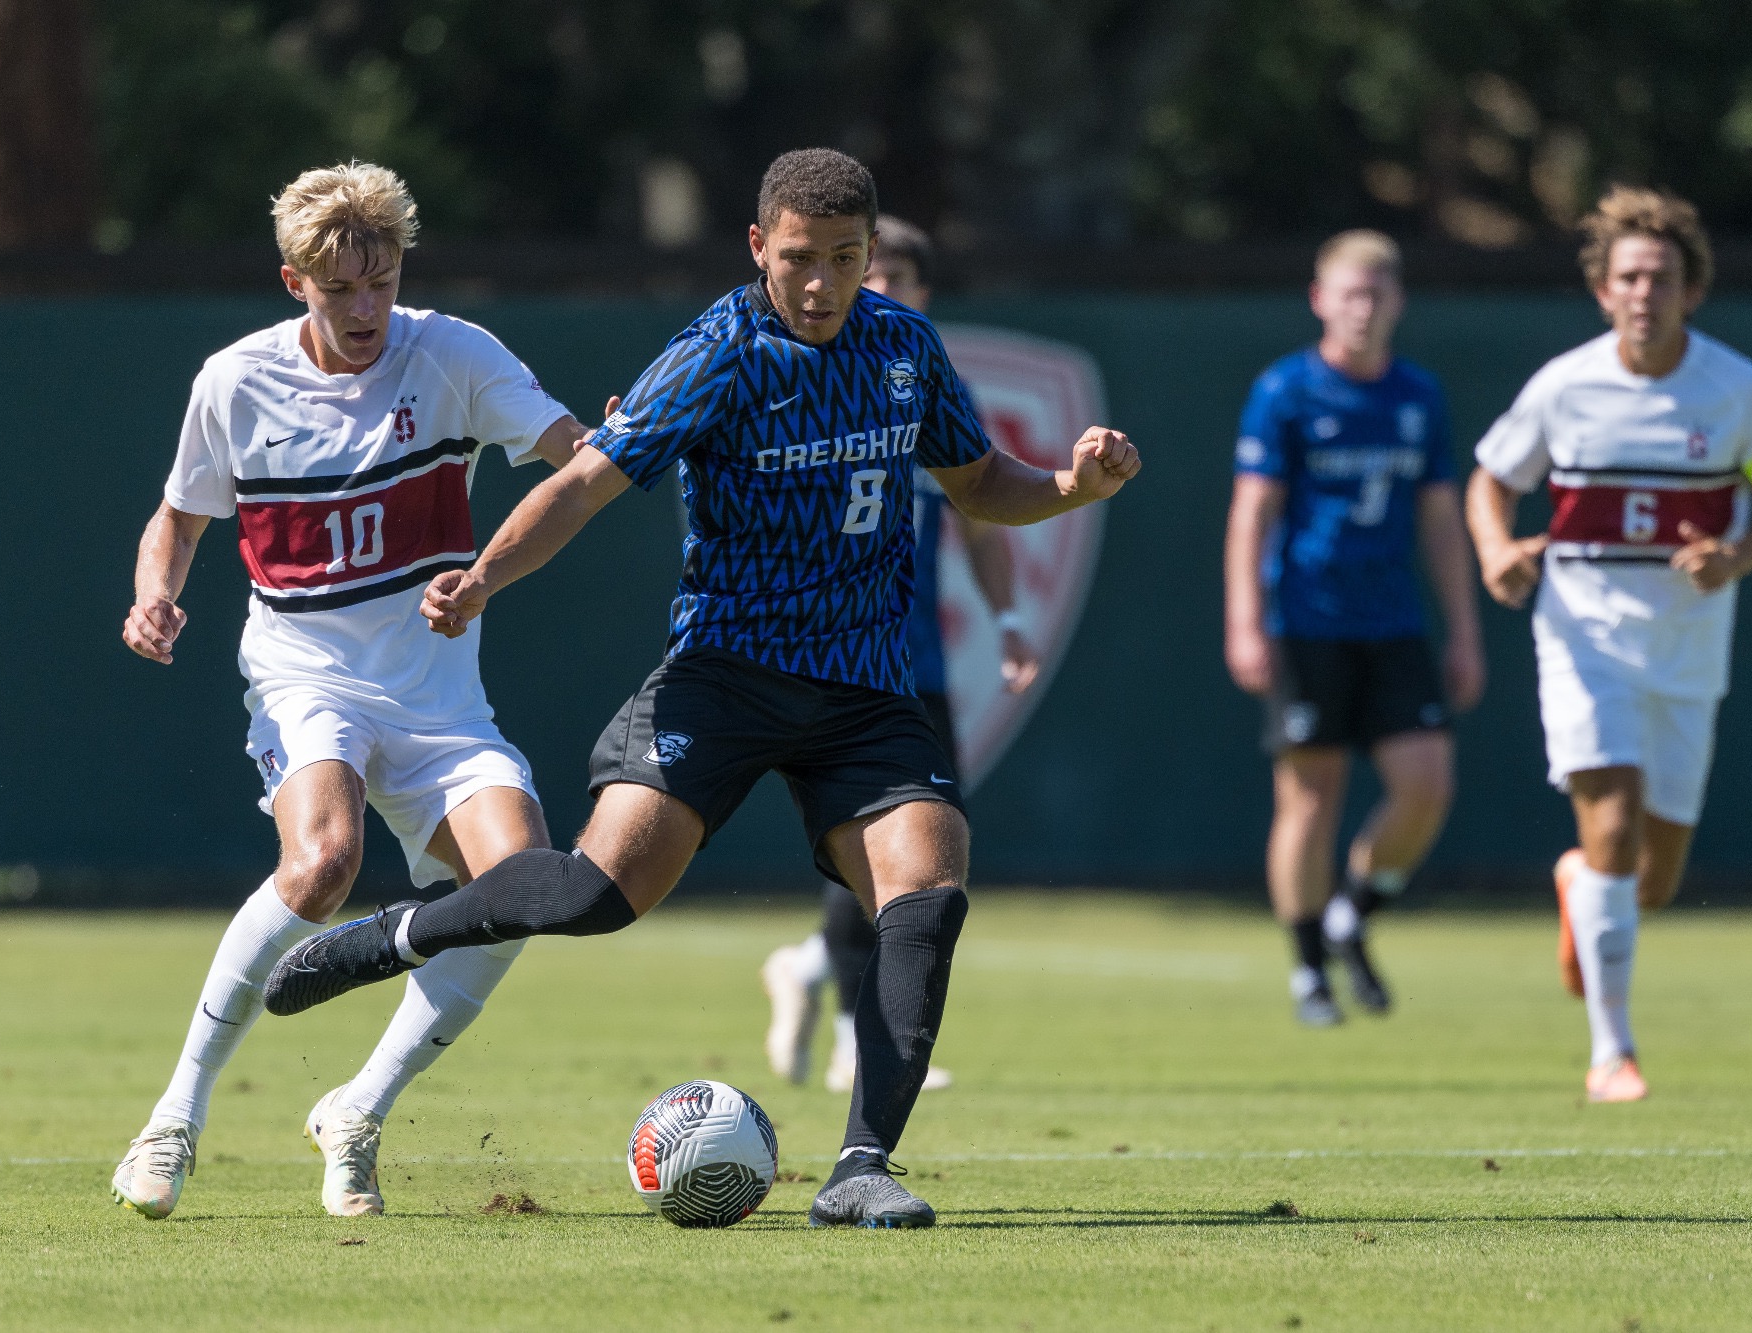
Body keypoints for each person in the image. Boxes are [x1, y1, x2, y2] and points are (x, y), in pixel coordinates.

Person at [260, 148, 1141, 1229]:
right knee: (590, 896)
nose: (821, 284)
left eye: (846, 259)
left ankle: (859, 1167)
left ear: (871, 256)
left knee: (925, 894)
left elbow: (977, 484)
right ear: (758, 246)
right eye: (801, 259)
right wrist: (484, 575)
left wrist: (1068, 485)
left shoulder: (905, 345)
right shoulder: (719, 352)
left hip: (863, 690)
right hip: (723, 675)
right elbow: (585, 481)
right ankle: (395, 934)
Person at [110, 162, 588, 1219]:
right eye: (339, 290)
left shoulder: (452, 352)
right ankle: (173, 1116)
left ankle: (357, 1109)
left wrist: (593, 457)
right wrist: (155, 594)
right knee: (323, 862)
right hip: (304, 676)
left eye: (381, 282)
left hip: (440, 703)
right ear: (295, 283)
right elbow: (179, 519)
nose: (366, 308)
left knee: (524, 889)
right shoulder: (233, 381)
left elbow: (572, 460)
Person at [1466, 185, 1752, 1103]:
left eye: (1663, 277)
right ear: (1603, 290)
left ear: (1693, 290)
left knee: (1656, 874)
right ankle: (1612, 1053)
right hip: (1582, 634)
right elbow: (1491, 480)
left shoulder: (1738, 389)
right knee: (1610, 824)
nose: (1645, 292)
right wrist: (1497, 554)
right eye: (1629, 276)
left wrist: (1742, 552)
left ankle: (1585, 892)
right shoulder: (1567, 385)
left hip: (1687, 645)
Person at [759, 215, 1039, 1093]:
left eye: (897, 279)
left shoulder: (926, 384)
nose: (880, 292)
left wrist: (1008, 619)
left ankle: (813, 967)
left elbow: (983, 511)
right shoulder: (793, 376)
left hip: (912, 661)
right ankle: (853, 1030)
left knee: (920, 852)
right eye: (866, 275)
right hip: (823, 659)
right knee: (874, 847)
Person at [1223, 231, 1484, 1027]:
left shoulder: (1417, 396)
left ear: (1398, 301)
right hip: (1306, 621)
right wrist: (1245, 619)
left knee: (1427, 785)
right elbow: (1252, 513)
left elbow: (1440, 519)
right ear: (1320, 299)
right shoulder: (1286, 391)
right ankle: (1308, 967)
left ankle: (1352, 911)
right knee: (1310, 794)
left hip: (1393, 621)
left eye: (1377, 293)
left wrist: (1464, 629)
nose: (1363, 308)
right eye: (1349, 293)